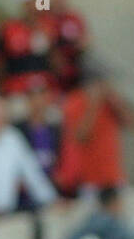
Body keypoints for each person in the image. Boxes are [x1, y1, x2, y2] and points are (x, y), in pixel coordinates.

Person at [55, 67, 130, 198]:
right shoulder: (74, 102)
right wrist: (93, 106)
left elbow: (128, 122)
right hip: (90, 181)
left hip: (114, 176)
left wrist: (116, 102)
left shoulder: (110, 101)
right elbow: (80, 137)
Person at [0, 93, 57, 215]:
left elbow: (32, 172)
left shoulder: (12, 138)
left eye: (2, 113)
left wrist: (52, 199)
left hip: (4, 215)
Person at [0, 0, 58, 97]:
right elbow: (0, 62)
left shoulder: (49, 26)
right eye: (29, 2)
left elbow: (57, 63)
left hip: (46, 87)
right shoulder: (9, 28)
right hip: (17, 88)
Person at [46, 0, 90, 91]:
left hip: (74, 66)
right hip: (48, 69)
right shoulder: (43, 18)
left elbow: (85, 40)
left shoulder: (73, 18)